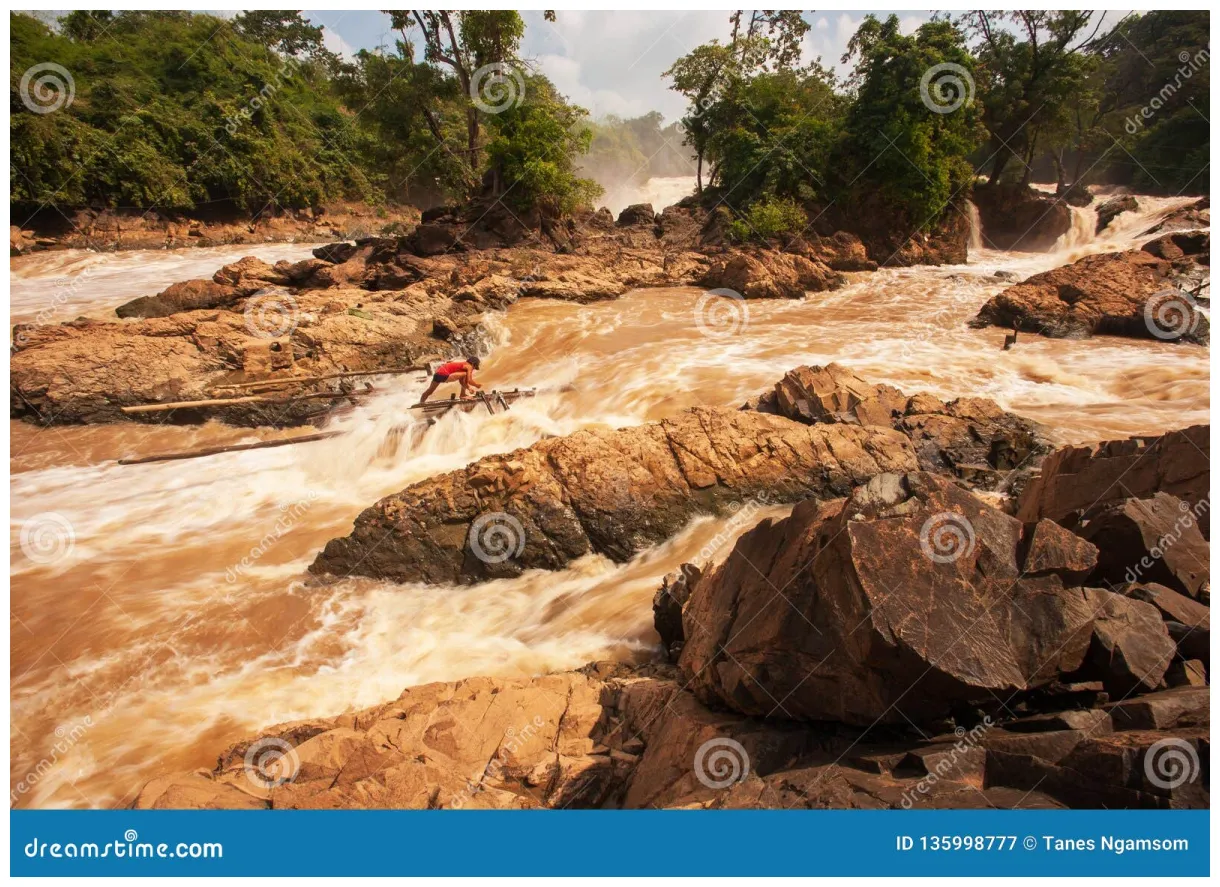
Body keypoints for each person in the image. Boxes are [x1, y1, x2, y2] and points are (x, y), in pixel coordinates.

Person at [417, 356, 482, 404]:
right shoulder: (469, 366)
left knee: (429, 391)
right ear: (473, 364)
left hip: (437, 374)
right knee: (465, 374)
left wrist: (468, 387)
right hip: (444, 375)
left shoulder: (462, 364)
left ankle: (421, 403)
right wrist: (476, 385)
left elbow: (462, 381)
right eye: (475, 367)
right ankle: (463, 395)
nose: (473, 369)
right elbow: (469, 379)